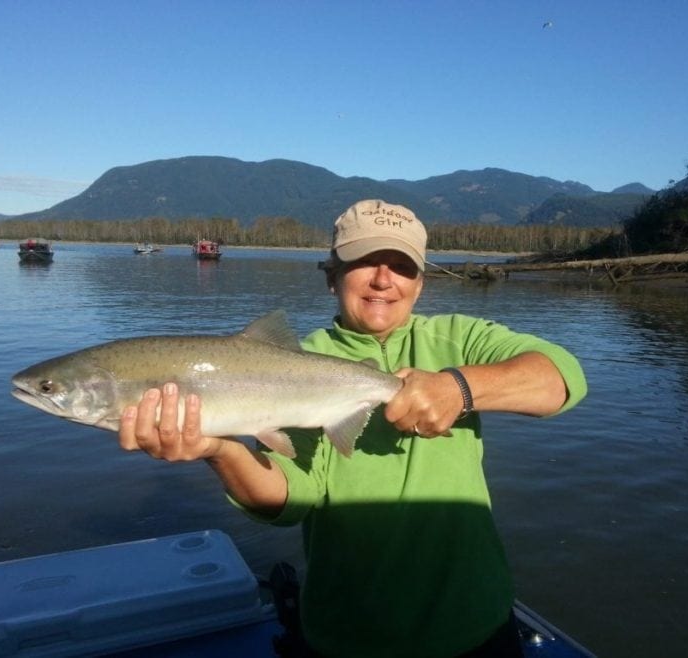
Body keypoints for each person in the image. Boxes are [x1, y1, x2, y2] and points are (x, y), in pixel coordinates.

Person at [118, 199, 587, 657]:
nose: (383, 280)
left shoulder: (461, 339)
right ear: (332, 276)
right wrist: (218, 450)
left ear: (419, 284)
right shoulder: (296, 365)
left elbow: (563, 379)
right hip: (347, 633)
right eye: (365, 261)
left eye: (400, 266)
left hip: (474, 623)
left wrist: (458, 388)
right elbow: (288, 500)